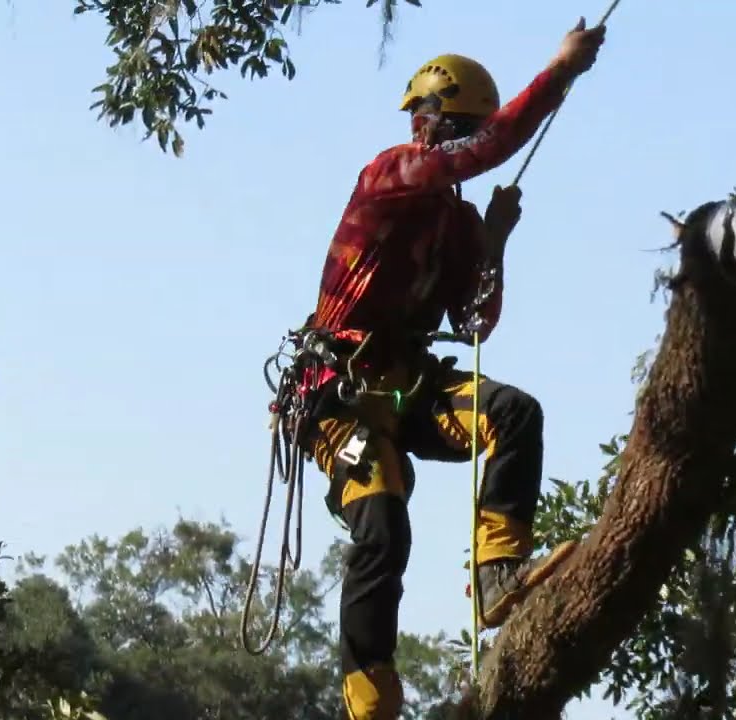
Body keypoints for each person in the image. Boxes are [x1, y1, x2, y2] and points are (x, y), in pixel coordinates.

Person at [302, 18, 607, 720]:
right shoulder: (389, 175)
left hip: (410, 387)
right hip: (339, 393)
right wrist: (560, 70)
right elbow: (491, 147)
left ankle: (499, 572)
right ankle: (370, 704)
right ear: (421, 120)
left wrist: (493, 244)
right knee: (383, 528)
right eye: (446, 125)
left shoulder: (458, 223)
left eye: (461, 127)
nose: (448, 138)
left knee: (513, 413)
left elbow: (472, 326)